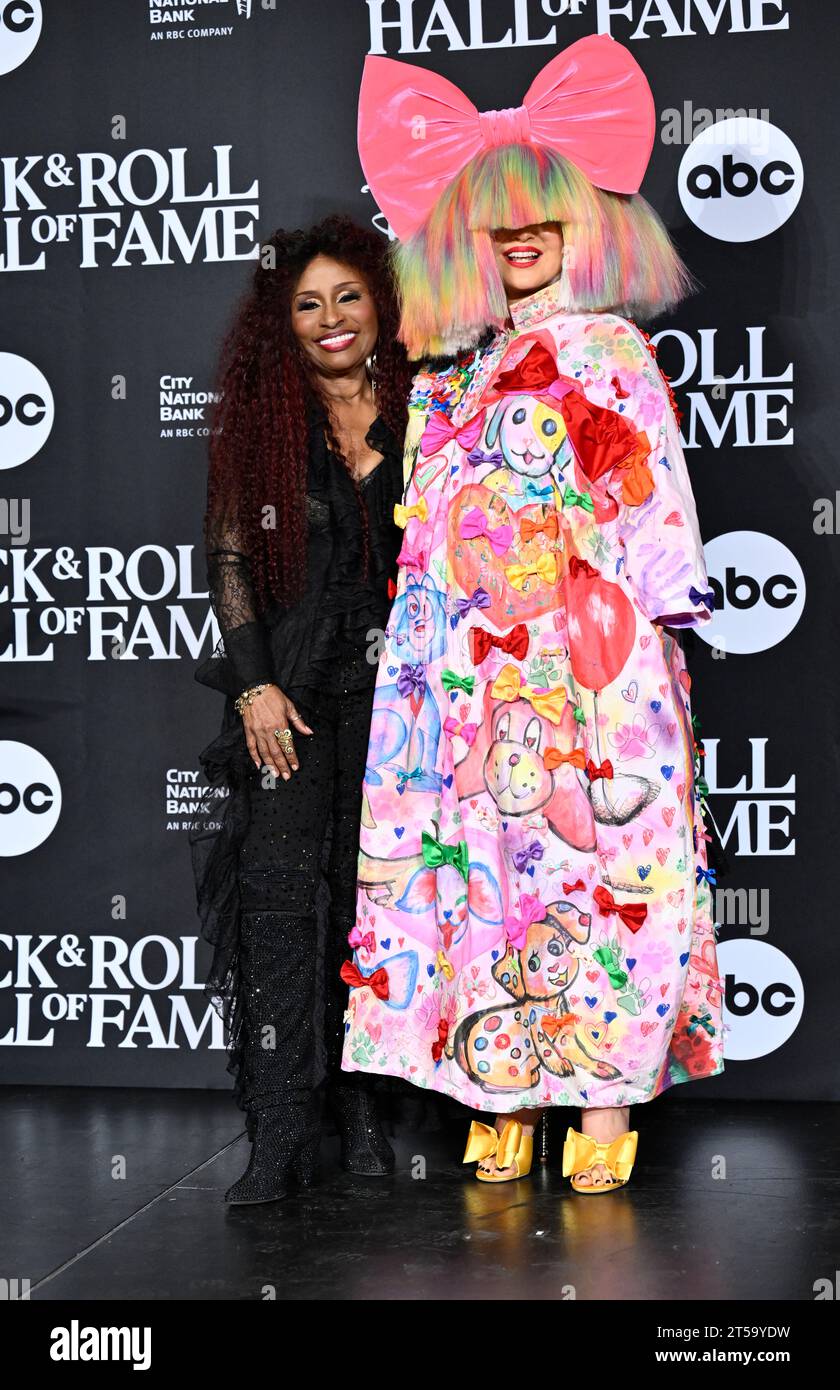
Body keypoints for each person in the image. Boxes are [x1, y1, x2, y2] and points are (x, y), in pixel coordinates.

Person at [338, 35, 725, 1195]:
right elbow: (426, 542)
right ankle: (496, 1086)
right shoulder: (450, 376)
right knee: (478, 872)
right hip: (462, 683)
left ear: (580, 221)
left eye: (540, 214)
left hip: (591, 669)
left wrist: (651, 634)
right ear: (460, 236)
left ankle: (601, 1107)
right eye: (495, 218)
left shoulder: (615, 354)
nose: (519, 236)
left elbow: (652, 504)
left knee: (599, 868)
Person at [191, 215, 411, 1204]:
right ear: (282, 322)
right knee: (280, 903)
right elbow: (232, 559)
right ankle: (277, 1129)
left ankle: (365, 1111)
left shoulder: (430, 409)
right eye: (308, 303)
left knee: (382, 905)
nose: (331, 319)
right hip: (293, 696)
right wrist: (254, 684)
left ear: (381, 304)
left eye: (348, 297)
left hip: (409, 700)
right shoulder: (264, 426)